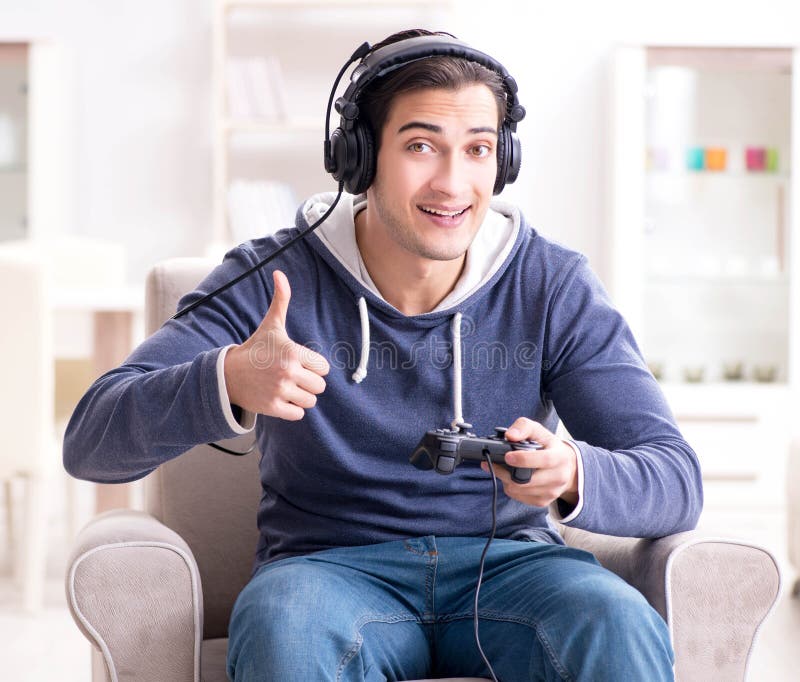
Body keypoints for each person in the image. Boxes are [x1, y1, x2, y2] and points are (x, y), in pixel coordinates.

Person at [64, 28, 703, 681]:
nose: (453, 183)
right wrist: (226, 378)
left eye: (478, 149)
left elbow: (675, 481)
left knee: (617, 624)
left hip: (511, 569)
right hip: (326, 572)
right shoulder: (271, 275)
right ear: (360, 158)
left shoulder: (551, 284)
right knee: (283, 626)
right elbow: (90, 440)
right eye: (421, 146)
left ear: (502, 161)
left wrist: (572, 472)